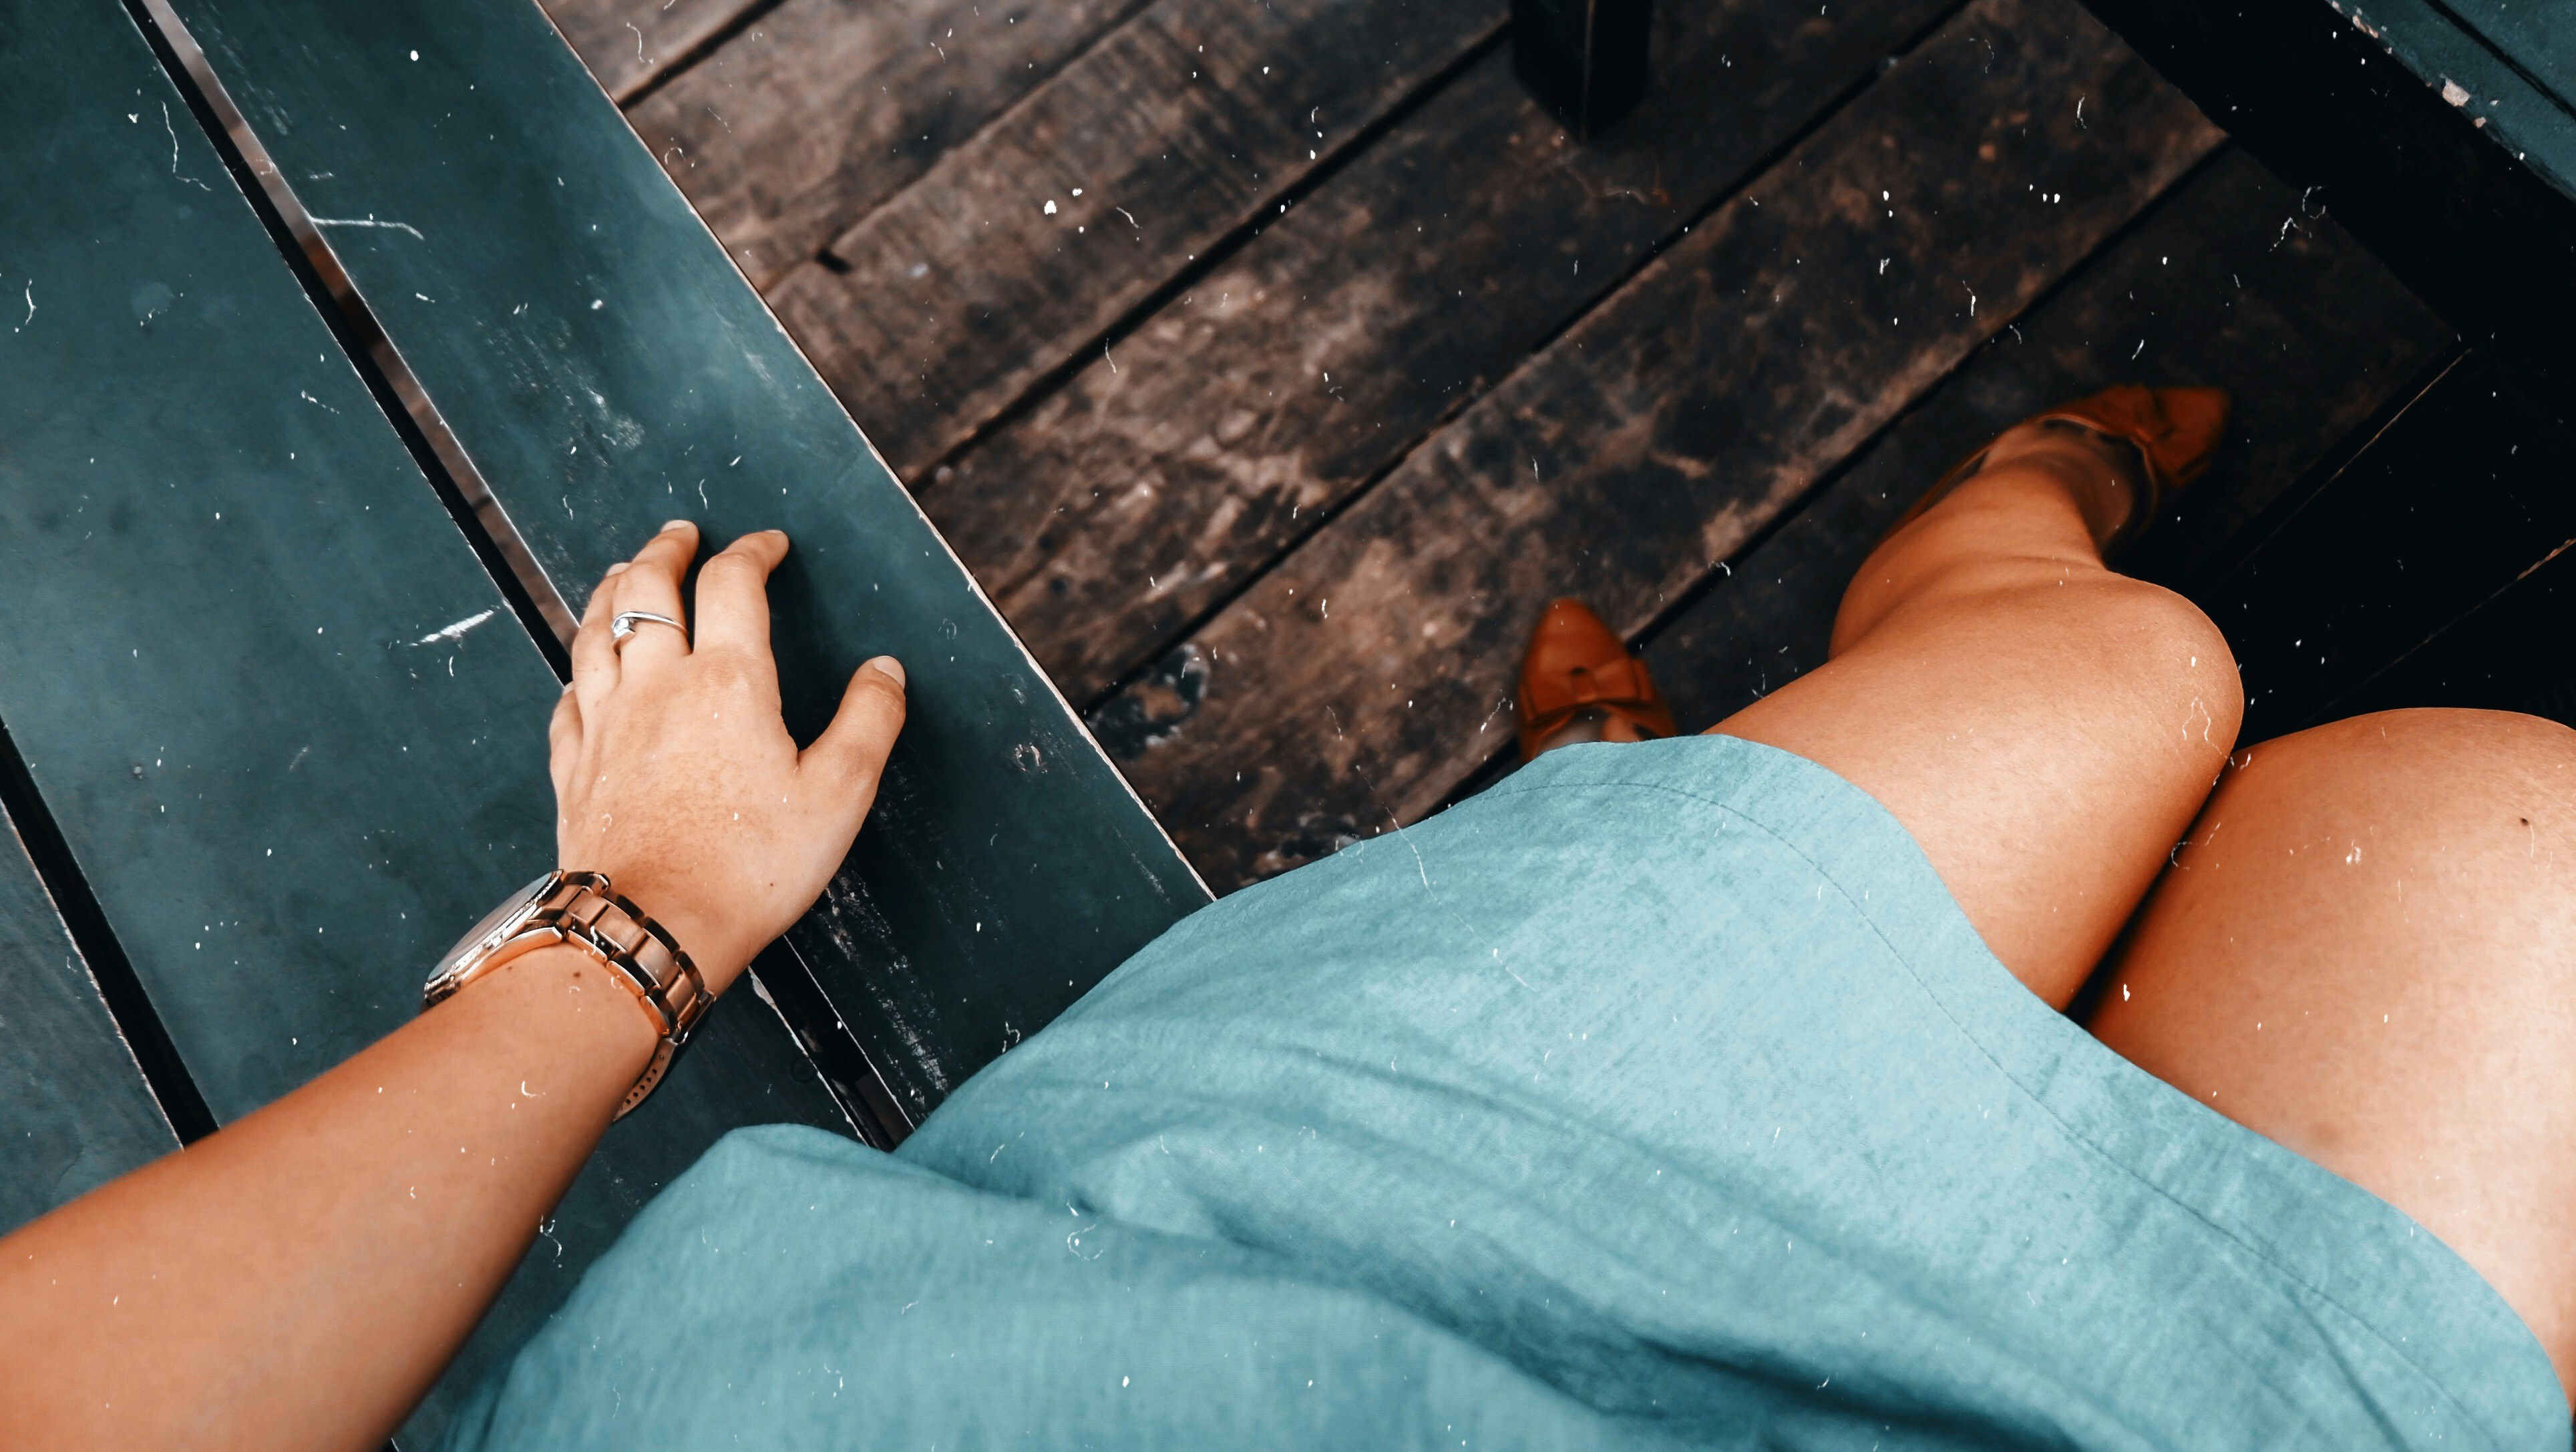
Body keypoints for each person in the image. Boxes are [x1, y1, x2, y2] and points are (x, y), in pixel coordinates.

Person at [2, 387, 2569, 1449]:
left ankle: (2031, 473)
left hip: (1260, 1289)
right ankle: (1671, 736)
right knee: (2483, 852)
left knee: (2125, 668)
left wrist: (640, 914)